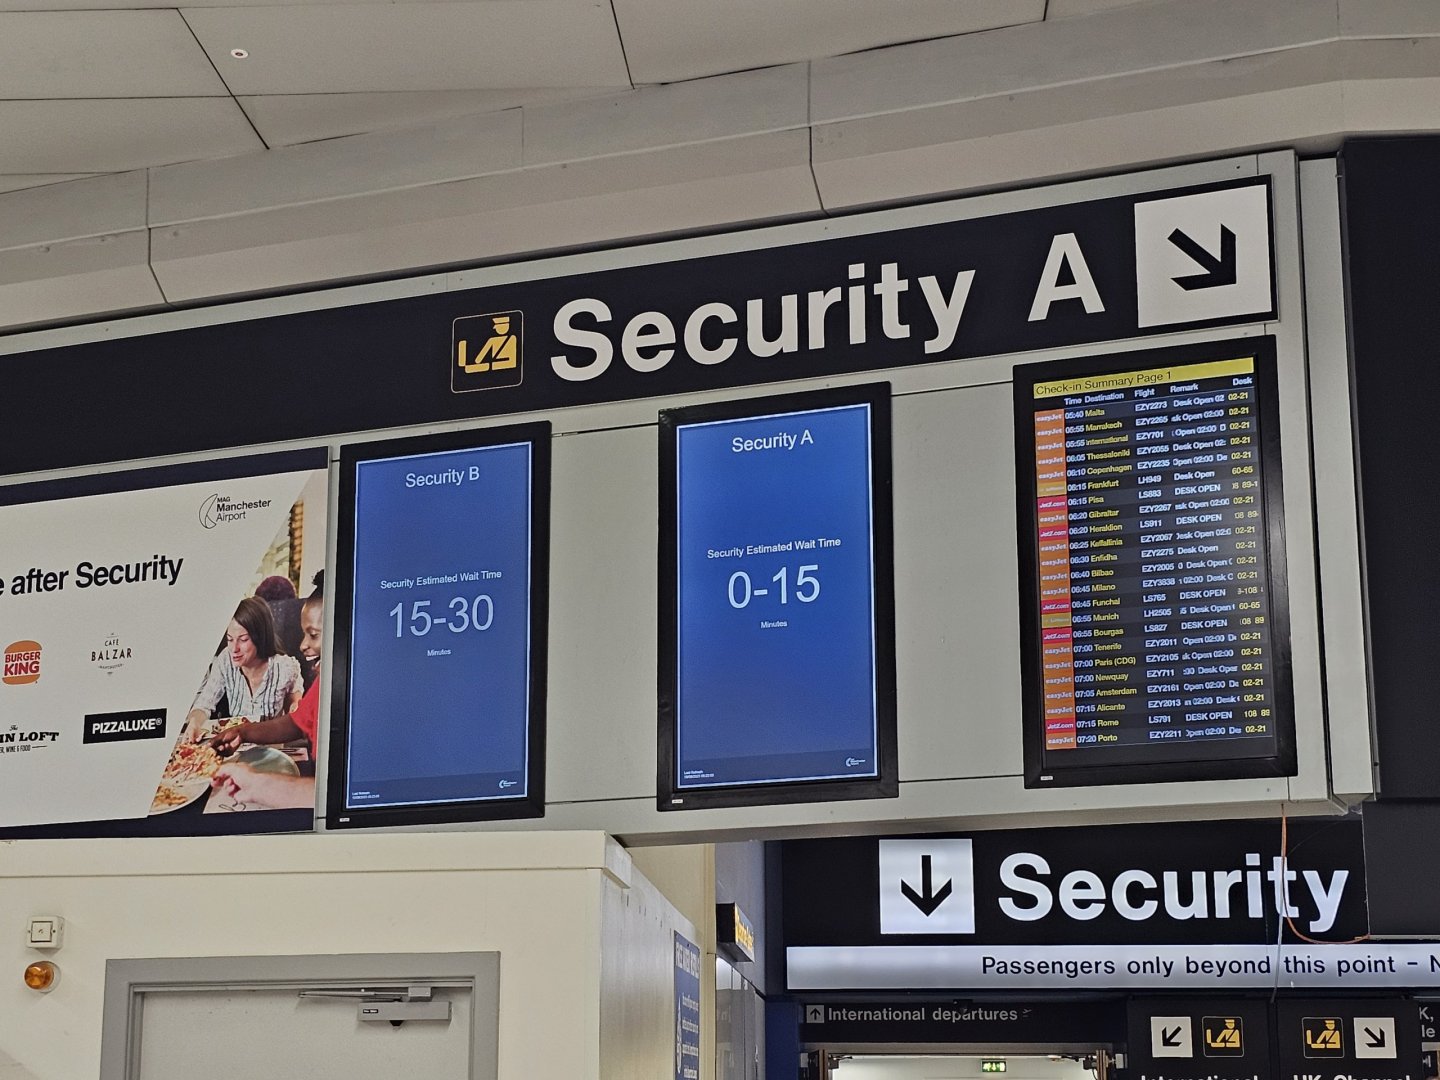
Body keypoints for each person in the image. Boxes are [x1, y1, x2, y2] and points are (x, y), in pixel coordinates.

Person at [211, 572, 323, 809]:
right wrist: (244, 732)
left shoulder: (285, 667)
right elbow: (296, 723)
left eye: (313, 635)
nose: (303, 644)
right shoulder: (321, 683)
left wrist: (259, 786)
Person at [186, 596, 301, 741]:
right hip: (235, 747)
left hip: (271, 748)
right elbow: (204, 704)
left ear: (260, 636)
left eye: (243, 639)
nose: (234, 649)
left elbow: (295, 710)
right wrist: (195, 722)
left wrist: (295, 707)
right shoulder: (225, 660)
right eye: (230, 639)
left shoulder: (285, 667)